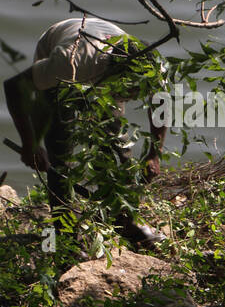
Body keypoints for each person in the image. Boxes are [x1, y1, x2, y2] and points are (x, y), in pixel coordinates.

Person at [4, 16, 166, 248]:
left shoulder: (151, 66)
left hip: (100, 70)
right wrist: (30, 143)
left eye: (137, 91)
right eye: (127, 90)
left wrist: (154, 153)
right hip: (62, 68)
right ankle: (67, 238)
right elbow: (14, 87)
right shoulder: (66, 63)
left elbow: (161, 103)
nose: (133, 97)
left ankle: (125, 221)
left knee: (118, 150)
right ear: (112, 74)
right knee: (61, 157)